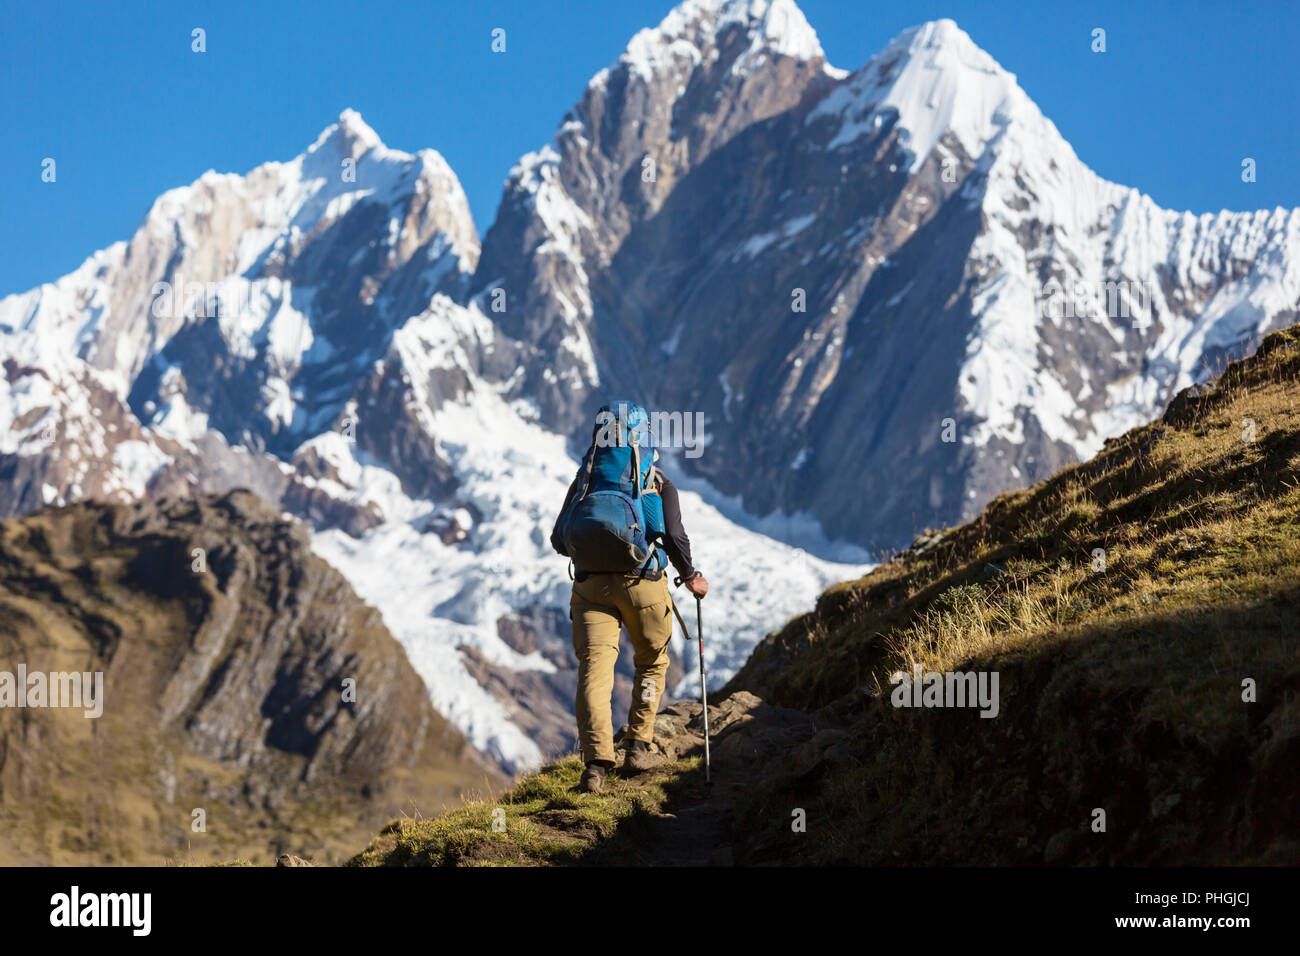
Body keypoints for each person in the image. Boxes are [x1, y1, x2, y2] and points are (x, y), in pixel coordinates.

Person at [551, 403, 709, 794]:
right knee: (652, 662)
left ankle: (595, 768)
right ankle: (638, 745)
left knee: (593, 672)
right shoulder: (655, 480)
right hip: (642, 584)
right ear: (644, 438)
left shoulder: (585, 478)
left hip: (590, 589)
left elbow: (559, 539)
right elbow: (671, 534)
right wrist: (690, 577)